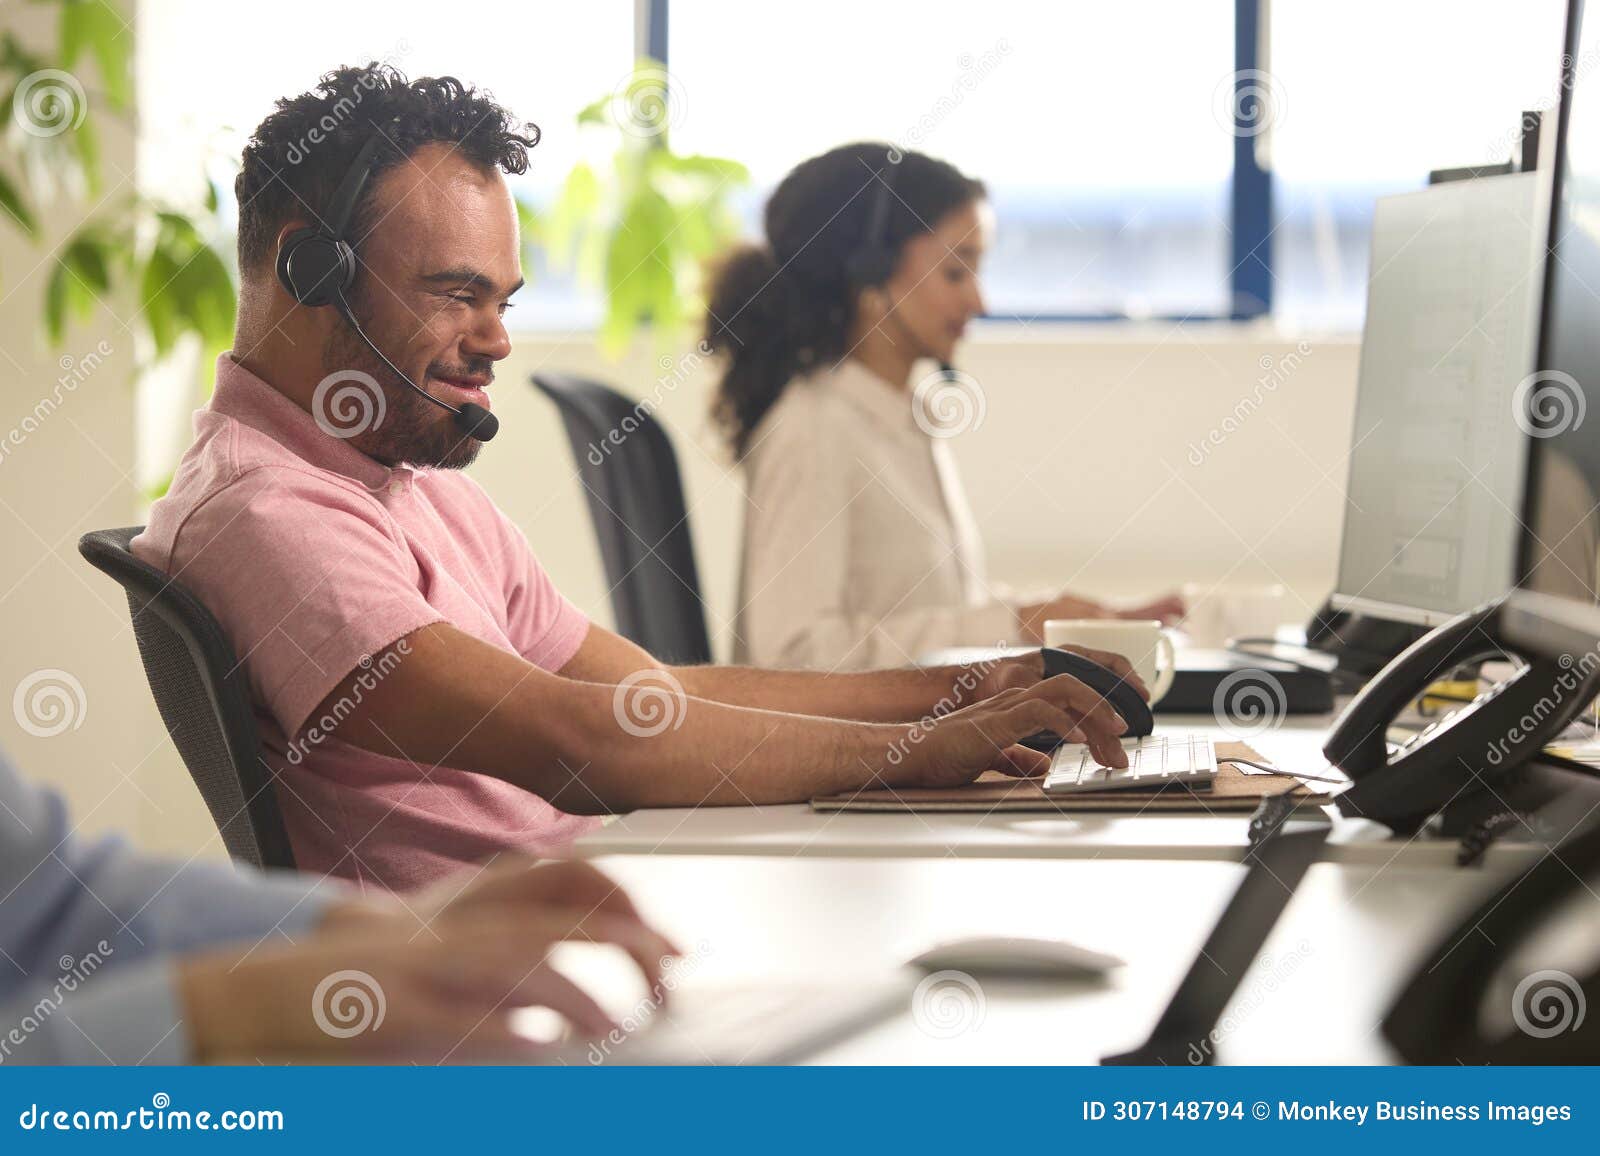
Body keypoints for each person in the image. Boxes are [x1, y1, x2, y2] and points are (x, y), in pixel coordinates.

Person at [133, 65, 1145, 892]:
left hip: (599, 921)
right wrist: (918, 745)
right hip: (492, 1015)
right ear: (311, 270)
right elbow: (584, 742)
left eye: (504, 300)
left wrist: (973, 687)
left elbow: (653, 698)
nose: (496, 342)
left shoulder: (415, 482)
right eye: (456, 294)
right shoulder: (269, 516)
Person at [703, 142, 1184, 671]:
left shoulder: (897, 417)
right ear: (869, 274)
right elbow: (793, 656)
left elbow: (929, 611)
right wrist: (1012, 623)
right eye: (956, 273)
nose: (980, 302)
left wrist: (1066, 624)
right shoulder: (815, 430)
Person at [0, 748, 673, 1064]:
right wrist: (225, 1007)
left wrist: (371, 928)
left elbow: (58, 895)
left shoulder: (444, 503)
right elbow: (572, 725)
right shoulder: (274, 509)